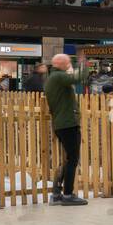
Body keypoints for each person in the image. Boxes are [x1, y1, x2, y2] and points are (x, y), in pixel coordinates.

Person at [45, 53, 87, 206]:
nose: (69, 65)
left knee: (68, 159)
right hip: (68, 124)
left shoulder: (53, 77)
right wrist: (83, 65)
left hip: (61, 124)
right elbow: (78, 78)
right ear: (61, 63)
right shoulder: (58, 77)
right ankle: (68, 195)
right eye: (68, 62)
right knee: (73, 159)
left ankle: (56, 194)